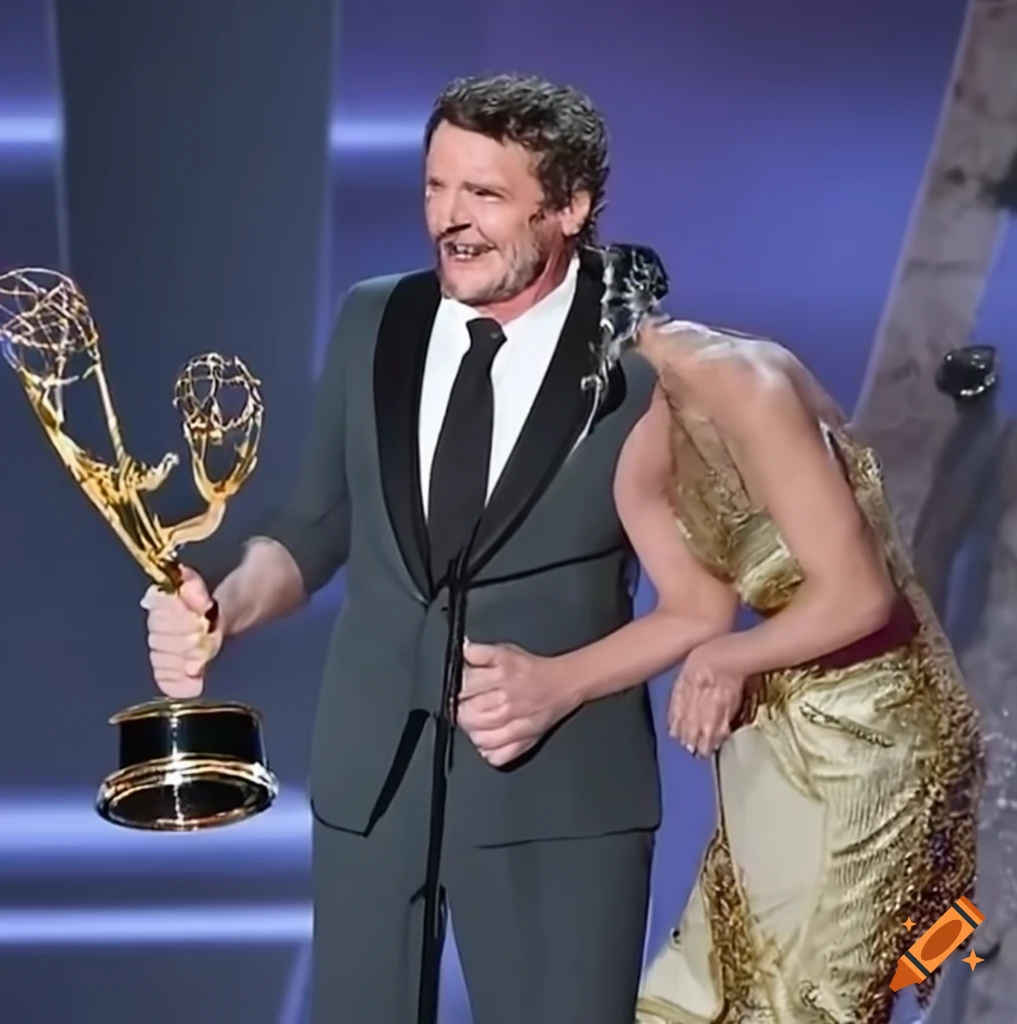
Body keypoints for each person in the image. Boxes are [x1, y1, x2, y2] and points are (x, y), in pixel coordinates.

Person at [140, 74, 736, 1024]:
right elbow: (316, 526)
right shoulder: (376, 318)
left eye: (486, 195)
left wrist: (561, 683)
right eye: (435, 189)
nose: (450, 221)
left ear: (572, 207)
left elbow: (701, 600)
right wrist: (227, 608)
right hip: (373, 778)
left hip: (560, 794)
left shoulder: (644, 363)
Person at [627, 319, 983, 1023]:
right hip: (788, 739)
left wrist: (728, 656)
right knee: (690, 1004)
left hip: (873, 742)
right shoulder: (640, 429)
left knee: (804, 1006)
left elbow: (859, 593)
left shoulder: (740, 382)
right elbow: (694, 607)